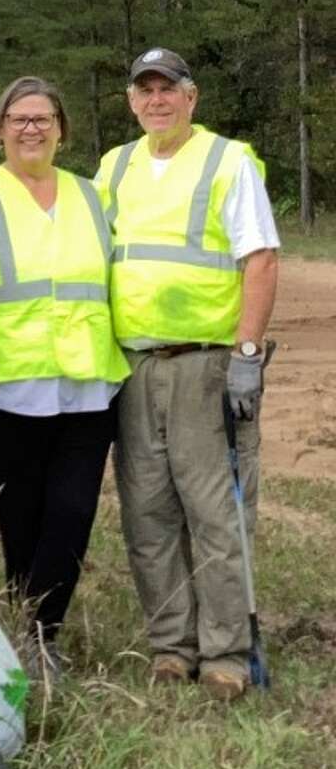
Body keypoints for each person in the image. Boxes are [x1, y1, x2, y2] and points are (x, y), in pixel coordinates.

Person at [98, 48, 279, 702]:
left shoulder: (227, 161)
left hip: (206, 364)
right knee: (147, 513)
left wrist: (247, 356)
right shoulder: (113, 167)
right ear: (132, 100)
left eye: (167, 89)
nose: (157, 100)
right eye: (145, 90)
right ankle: (171, 646)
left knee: (215, 511)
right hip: (134, 366)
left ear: (191, 96)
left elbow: (259, 260)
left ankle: (226, 650)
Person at [0, 76, 129, 668]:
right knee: (20, 522)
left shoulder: (93, 197)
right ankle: (29, 635)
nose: (31, 129)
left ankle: (42, 632)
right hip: (5, 393)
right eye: (19, 119)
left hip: (86, 389)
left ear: (61, 129)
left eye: (43, 118)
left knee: (72, 516)